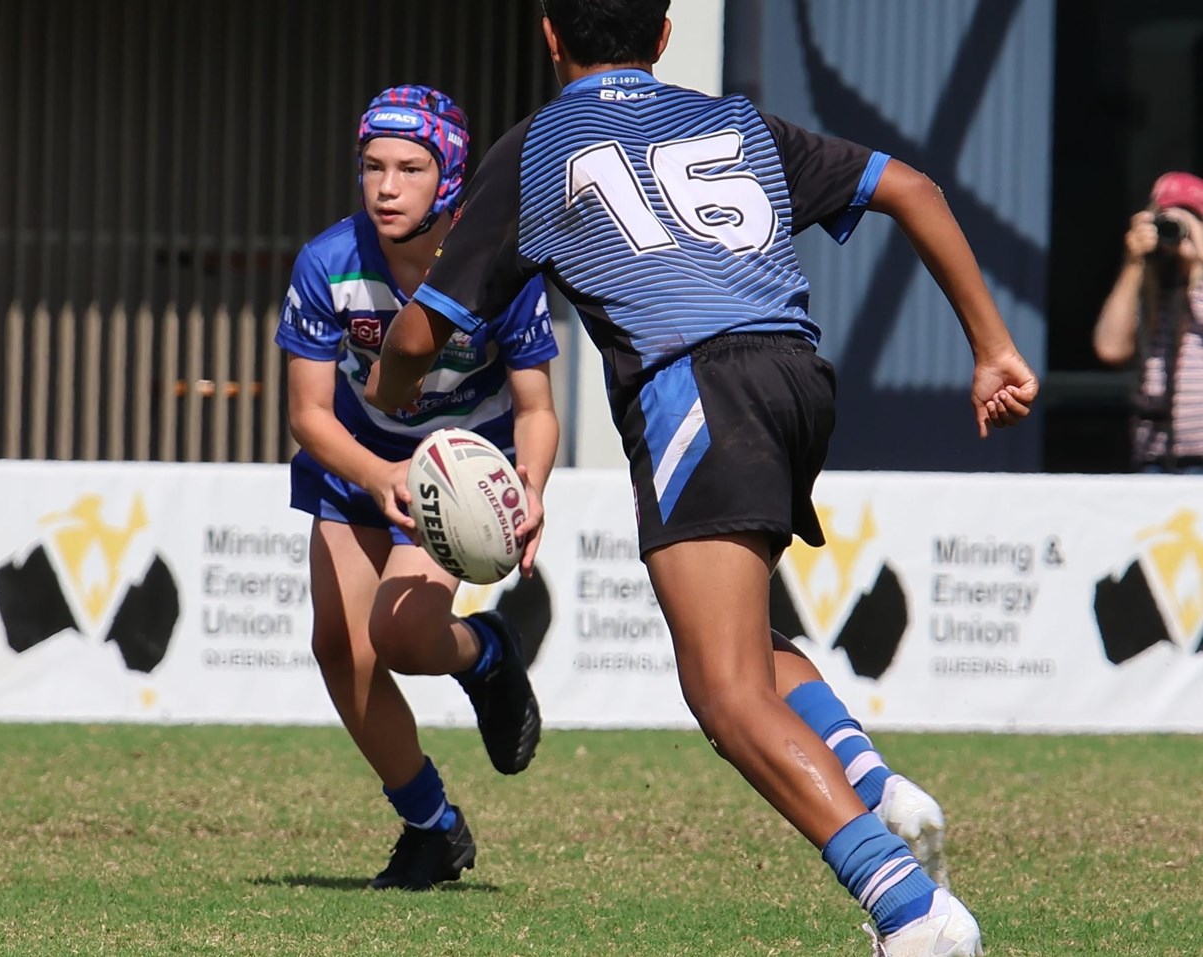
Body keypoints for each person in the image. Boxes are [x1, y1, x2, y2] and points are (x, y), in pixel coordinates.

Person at [368, 3, 1038, 954]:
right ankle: (871, 781)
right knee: (744, 644)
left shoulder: (539, 146)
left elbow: (422, 329)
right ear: (667, 33)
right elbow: (914, 187)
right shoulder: (738, 121)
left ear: (550, 33)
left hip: (696, 388)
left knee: (722, 692)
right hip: (797, 377)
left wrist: (391, 390)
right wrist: (993, 347)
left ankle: (911, 911)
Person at [274, 84, 559, 891]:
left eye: (410, 167)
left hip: (461, 475)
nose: (386, 186)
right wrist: (375, 473)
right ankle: (432, 828)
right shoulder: (328, 262)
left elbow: (538, 409)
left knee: (400, 638)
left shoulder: (501, 264)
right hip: (359, 463)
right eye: (371, 165)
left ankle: (486, 653)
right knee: (342, 647)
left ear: (453, 177)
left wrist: (529, 484)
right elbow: (308, 414)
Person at [1094, 171, 1203, 473]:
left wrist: (1198, 262)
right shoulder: (1147, 292)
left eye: (1190, 219)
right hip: (1153, 460)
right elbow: (1110, 349)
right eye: (1166, 221)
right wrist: (1133, 264)